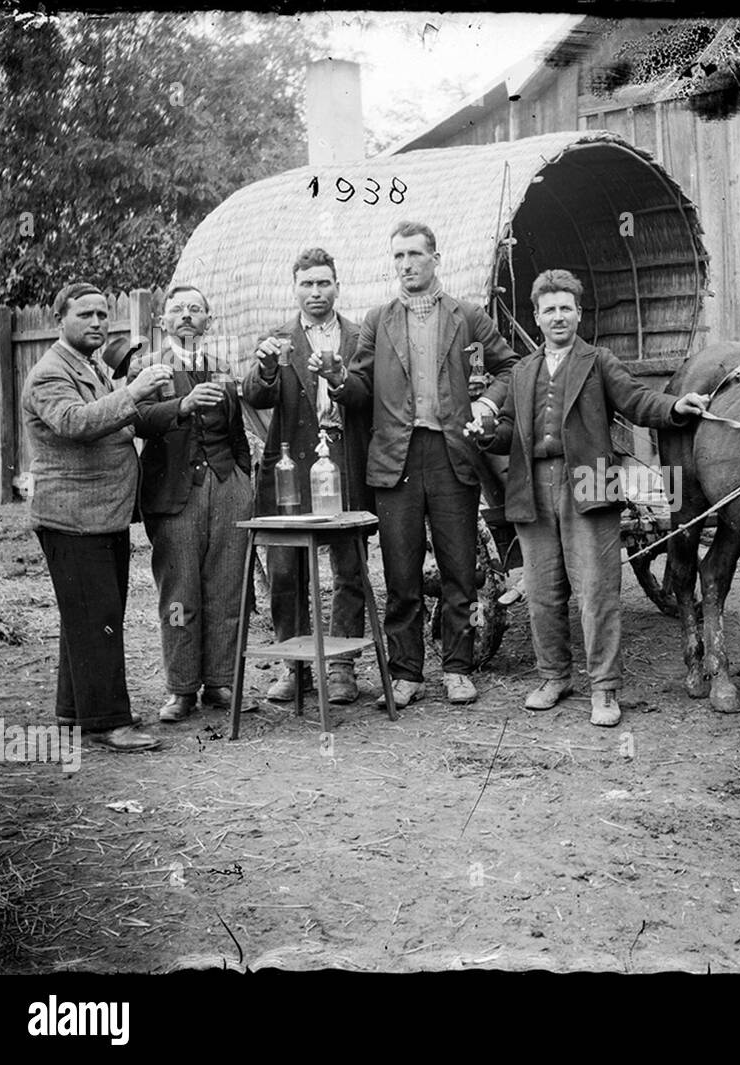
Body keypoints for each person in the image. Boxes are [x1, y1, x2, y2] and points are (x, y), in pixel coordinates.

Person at [472, 269, 708, 727]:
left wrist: (674, 408)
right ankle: (554, 677)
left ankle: (604, 689)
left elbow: (639, 401)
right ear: (536, 318)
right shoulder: (522, 372)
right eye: (549, 309)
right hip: (532, 487)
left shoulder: (599, 362)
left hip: (592, 481)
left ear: (578, 314)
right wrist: (485, 433)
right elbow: (507, 436)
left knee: (597, 592)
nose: (557, 316)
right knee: (541, 592)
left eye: (566, 308)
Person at [323, 221, 518, 708]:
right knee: (401, 574)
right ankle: (406, 673)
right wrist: (337, 379)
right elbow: (361, 390)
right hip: (396, 462)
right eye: (397, 257)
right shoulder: (378, 320)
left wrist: (488, 406)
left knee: (460, 571)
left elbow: (511, 368)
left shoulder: (468, 316)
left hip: (453, 455)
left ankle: (457, 668)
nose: (405, 264)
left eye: (414, 254)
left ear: (436, 259)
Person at [22, 282, 173, 751]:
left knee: (85, 617)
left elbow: (122, 420)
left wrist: (179, 405)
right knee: (98, 615)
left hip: (101, 514)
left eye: (103, 315)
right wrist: (134, 391)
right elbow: (76, 423)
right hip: (72, 518)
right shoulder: (50, 373)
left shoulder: (88, 367)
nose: (97, 323)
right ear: (60, 320)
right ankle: (109, 722)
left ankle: (75, 711)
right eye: (85, 314)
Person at [243, 247, 374, 704]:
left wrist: (340, 380)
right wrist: (263, 368)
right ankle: (294, 666)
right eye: (307, 284)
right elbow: (256, 395)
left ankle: (341, 667)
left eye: (324, 283)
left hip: (345, 459)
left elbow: (368, 396)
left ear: (338, 286)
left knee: (349, 567)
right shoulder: (279, 339)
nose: (316, 292)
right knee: (285, 570)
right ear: (294, 287)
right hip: (291, 466)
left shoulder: (360, 336)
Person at [132, 284, 254, 722]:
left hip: (227, 488)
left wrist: (242, 477)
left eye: (196, 310)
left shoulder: (221, 368)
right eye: (177, 309)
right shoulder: (148, 368)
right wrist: (181, 405)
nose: (186, 316)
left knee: (226, 586)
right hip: (175, 491)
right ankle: (181, 688)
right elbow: (137, 421)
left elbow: (236, 429)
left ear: (208, 321)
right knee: (180, 592)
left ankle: (221, 682)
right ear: (163, 321)